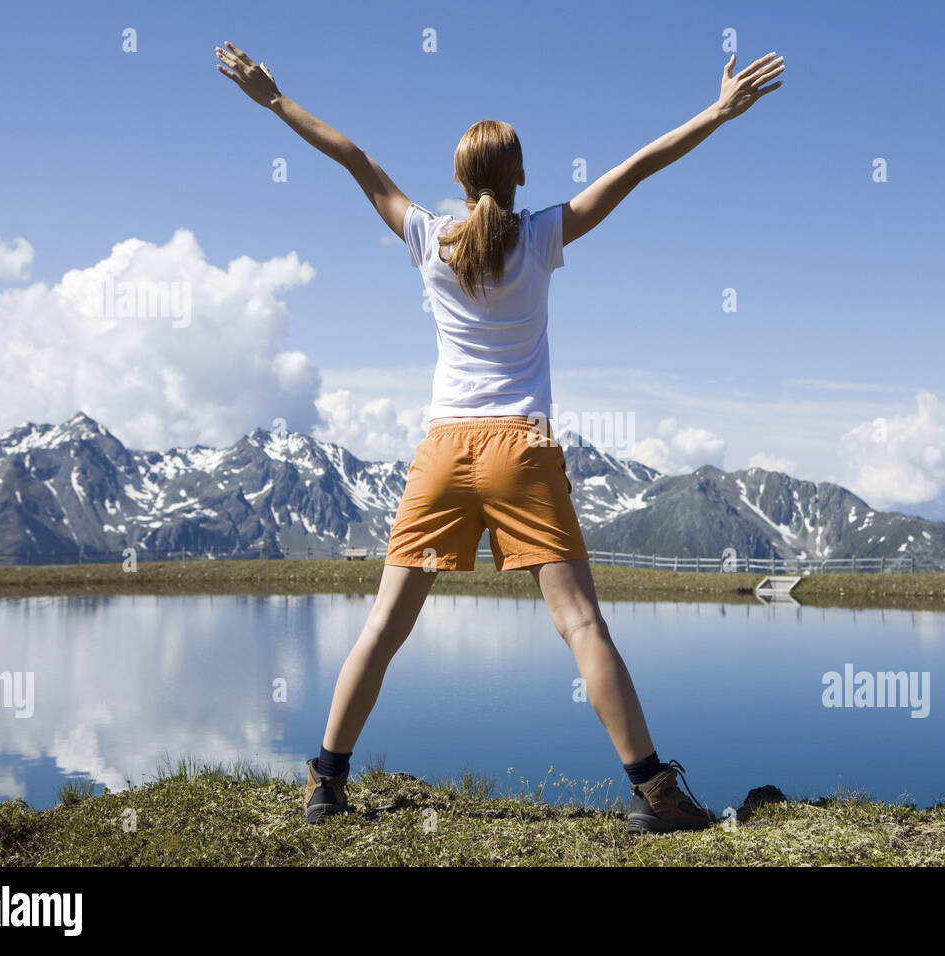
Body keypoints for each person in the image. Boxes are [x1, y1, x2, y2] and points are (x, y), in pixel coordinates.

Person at [215, 41, 784, 834]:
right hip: (522, 449)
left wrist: (273, 99)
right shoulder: (545, 234)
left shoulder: (426, 236)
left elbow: (355, 158)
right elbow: (640, 165)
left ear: (457, 180)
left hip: (445, 452)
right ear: (519, 176)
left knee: (384, 626)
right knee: (582, 625)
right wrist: (718, 114)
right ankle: (653, 794)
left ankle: (325, 782)